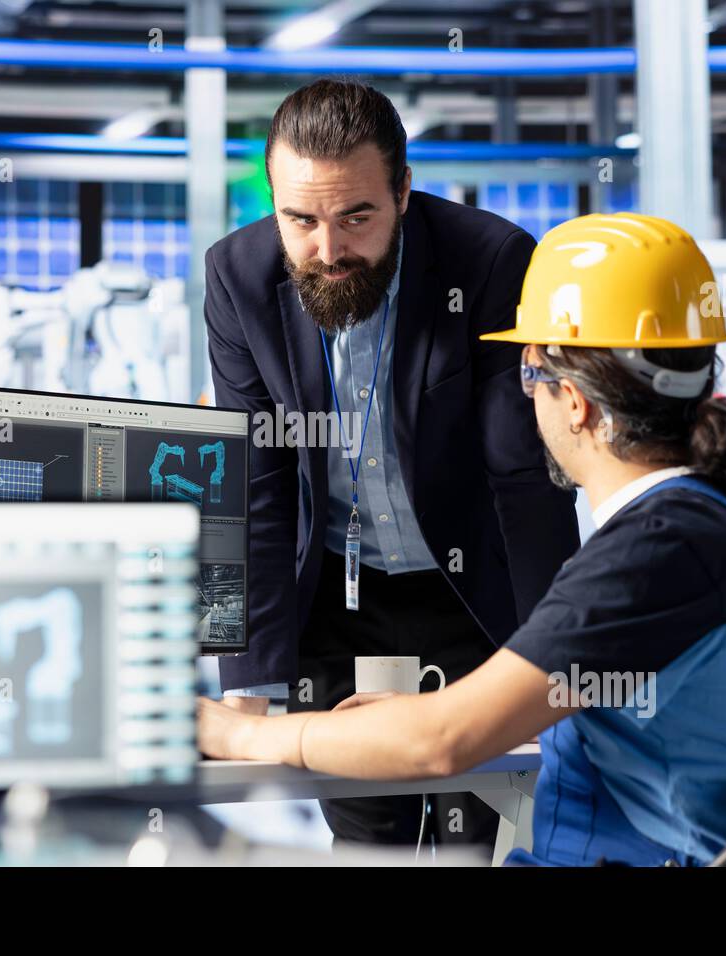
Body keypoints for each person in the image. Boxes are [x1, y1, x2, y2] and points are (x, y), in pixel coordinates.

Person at [198, 212, 726, 867]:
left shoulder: (648, 556)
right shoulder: (716, 515)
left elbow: (441, 745)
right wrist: (439, 711)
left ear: (573, 401)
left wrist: (237, 734)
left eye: (527, 374)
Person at [203, 79, 579, 851]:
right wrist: (246, 686)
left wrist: (549, 661)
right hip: (335, 602)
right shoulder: (237, 277)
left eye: (356, 217)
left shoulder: (491, 261)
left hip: (468, 592)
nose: (328, 250)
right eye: (300, 219)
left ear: (403, 191)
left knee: (479, 832)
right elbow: (254, 488)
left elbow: (520, 482)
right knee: (368, 839)